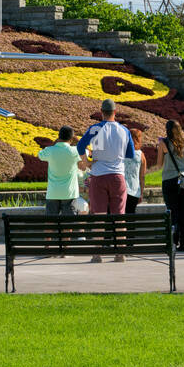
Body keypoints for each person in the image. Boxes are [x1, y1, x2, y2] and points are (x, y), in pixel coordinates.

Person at [76, 98, 135, 262]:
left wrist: (87, 161)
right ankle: (120, 253)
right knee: (119, 215)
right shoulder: (124, 130)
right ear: (115, 112)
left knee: (99, 216)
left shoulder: (95, 129)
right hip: (117, 176)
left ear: (101, 112)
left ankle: (97, 253)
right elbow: (129, 154)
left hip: (98, 175)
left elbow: (80, 147)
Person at [153, 119, 184, 252]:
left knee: (172, 212)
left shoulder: (163, 143)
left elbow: (159, 164)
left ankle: (173, 240)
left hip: (169, 179)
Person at [37, 126, 81, 216]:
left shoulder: (49, 150)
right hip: (69, 193)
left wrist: (54, 144)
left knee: (50, 224)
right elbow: (87, 152)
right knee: (68, 225)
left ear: (58, 136)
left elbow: (40, 155)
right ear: (71, 138)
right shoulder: (75, 151)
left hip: (53, 193)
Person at [124, 128, 146, 214]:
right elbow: (142, 176)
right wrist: (141, 192)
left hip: (122, 188)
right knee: (131, 214)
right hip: (134, 190)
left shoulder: (122, 152)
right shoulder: (141, 155)